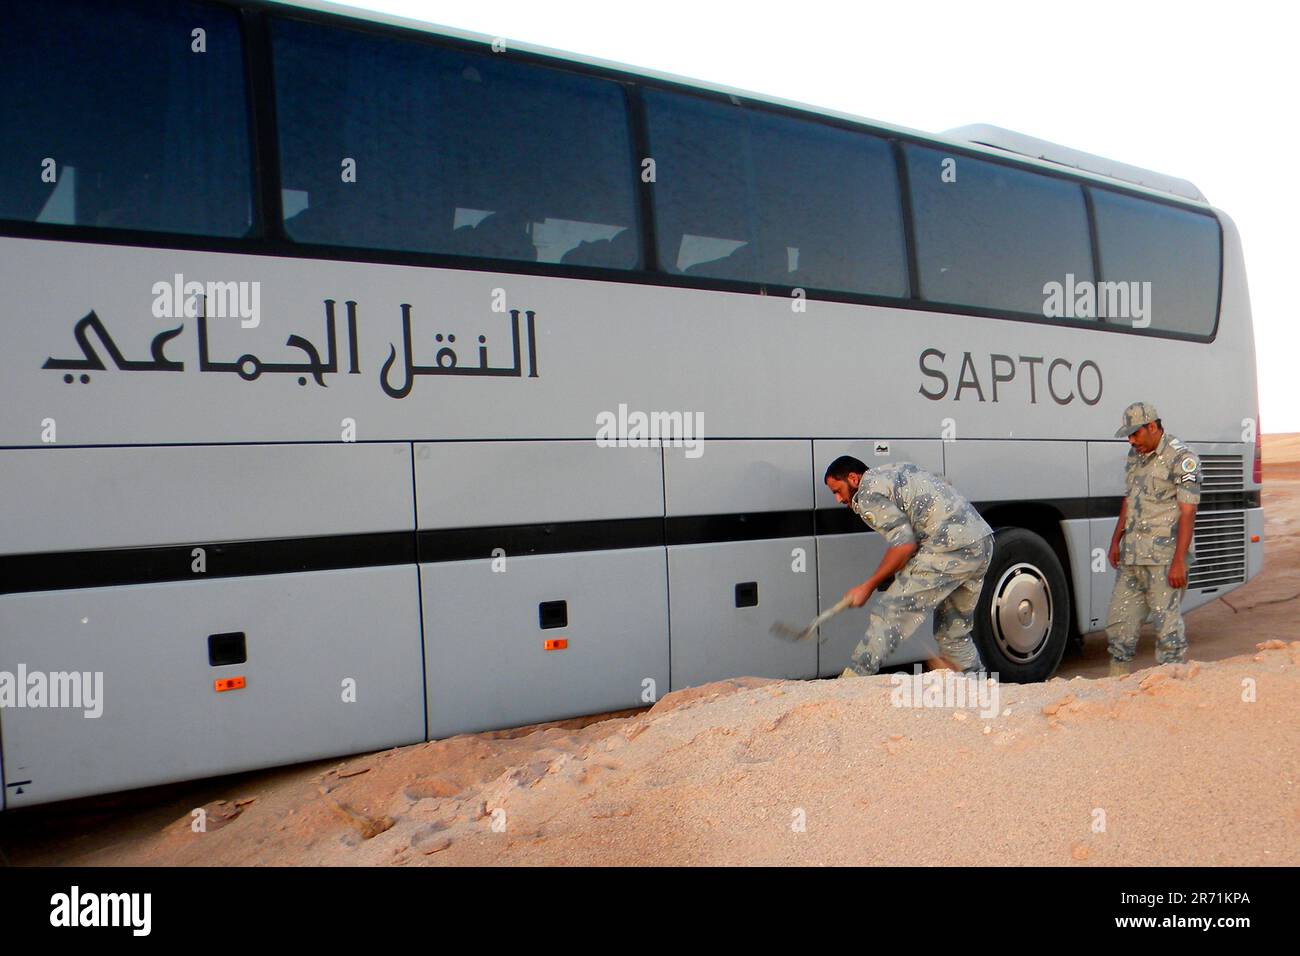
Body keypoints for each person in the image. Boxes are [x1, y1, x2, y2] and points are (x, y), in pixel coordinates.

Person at [824, 456, 994, 677]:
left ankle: (854, 679)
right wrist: (893, 575)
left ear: (853, 478)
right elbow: (915, 527)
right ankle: (976, 684)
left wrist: (867, 586)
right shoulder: (894, 471)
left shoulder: (866, 494)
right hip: (981, 542)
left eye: (837, 491)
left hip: (949, 547)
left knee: (890, 611)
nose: (838, 499)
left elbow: (903, 545)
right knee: (952, 632)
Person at [1105, 402, 1200, 675]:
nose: (1131, 440)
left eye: (1135, 433)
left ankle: (1172, 688)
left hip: (1164, 560)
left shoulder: (1181, 458)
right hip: (1133, 556)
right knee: (1119, 627)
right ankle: (1115, 688)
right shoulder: (1135, 456)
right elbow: (1129, 499)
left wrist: (1179, 561)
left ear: (1152, 426)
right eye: (1128, 435)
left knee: (1168, 633)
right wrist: (1115, 540)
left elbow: (1188, 511)